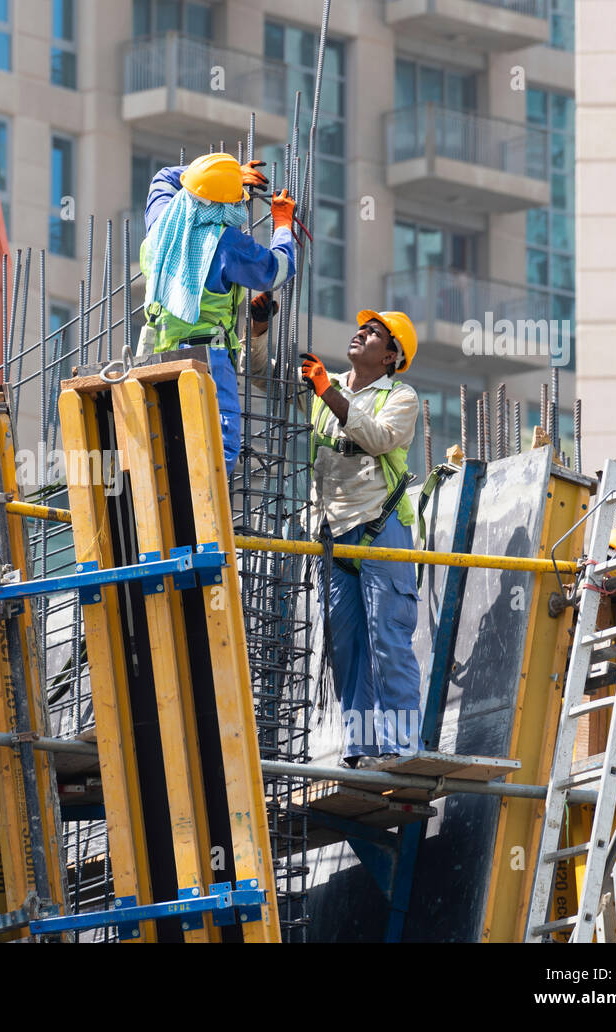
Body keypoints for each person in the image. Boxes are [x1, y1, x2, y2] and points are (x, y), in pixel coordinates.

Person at [300, 311, 423, 768]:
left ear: (391, 356)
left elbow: (378, 438)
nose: (361, 333)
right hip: (331, 531)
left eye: (374, 333)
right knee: (346, 646)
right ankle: (363, 748)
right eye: (363, 328)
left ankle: (402, 747)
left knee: (387, 638)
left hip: (378, 525)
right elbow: (261, 377)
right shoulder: (323, 386)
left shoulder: (400, 395)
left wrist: (327, 392)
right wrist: (257, 331)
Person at [140, 152, 299, 469]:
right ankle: (199, 517)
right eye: (236, 197)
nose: (241, 204)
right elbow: (278, 269)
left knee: (163, 443)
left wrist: (224, 175)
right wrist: (283, 225)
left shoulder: (161, 225)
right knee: (217, 449)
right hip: (204, 358)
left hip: (154, 357)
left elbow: (165, 177)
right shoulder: (224, 243)